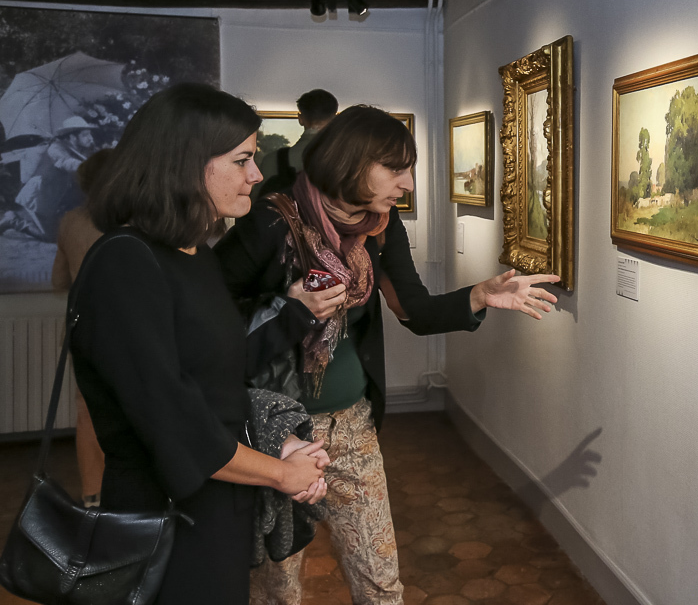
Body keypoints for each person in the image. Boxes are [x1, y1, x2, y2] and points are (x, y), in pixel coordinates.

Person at [216, 105, 559, 605]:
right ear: (351, 164)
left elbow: (412, 309)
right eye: (396, 169)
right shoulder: (271, 221)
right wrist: (291, 307)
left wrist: (479, 296)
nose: (409, 183)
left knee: (380, 583)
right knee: (276, 592)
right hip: (276, 435)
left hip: (351, 424)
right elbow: (211, 326)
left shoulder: (379, 224)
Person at [70, 83, 332, 605]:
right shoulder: (125, 263)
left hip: (214, 509)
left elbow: (218, 376)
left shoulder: (194, 253)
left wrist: (278, 442)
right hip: (164, 520)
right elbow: (173, 422)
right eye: (241, 160)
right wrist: (282, 473)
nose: (256, 175)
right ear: (185, 164)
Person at [50, 147, 112, 509]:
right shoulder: (133, 223)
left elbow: (59, 280)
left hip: (82, 329)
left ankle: (92, 494)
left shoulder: (70, 221)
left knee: (87, 413)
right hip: (126, 331)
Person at [255, 88, 339, 199]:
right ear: (335, 119)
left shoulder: (271, 161)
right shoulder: (347, 158)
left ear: (300, 119)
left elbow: (255, 202)